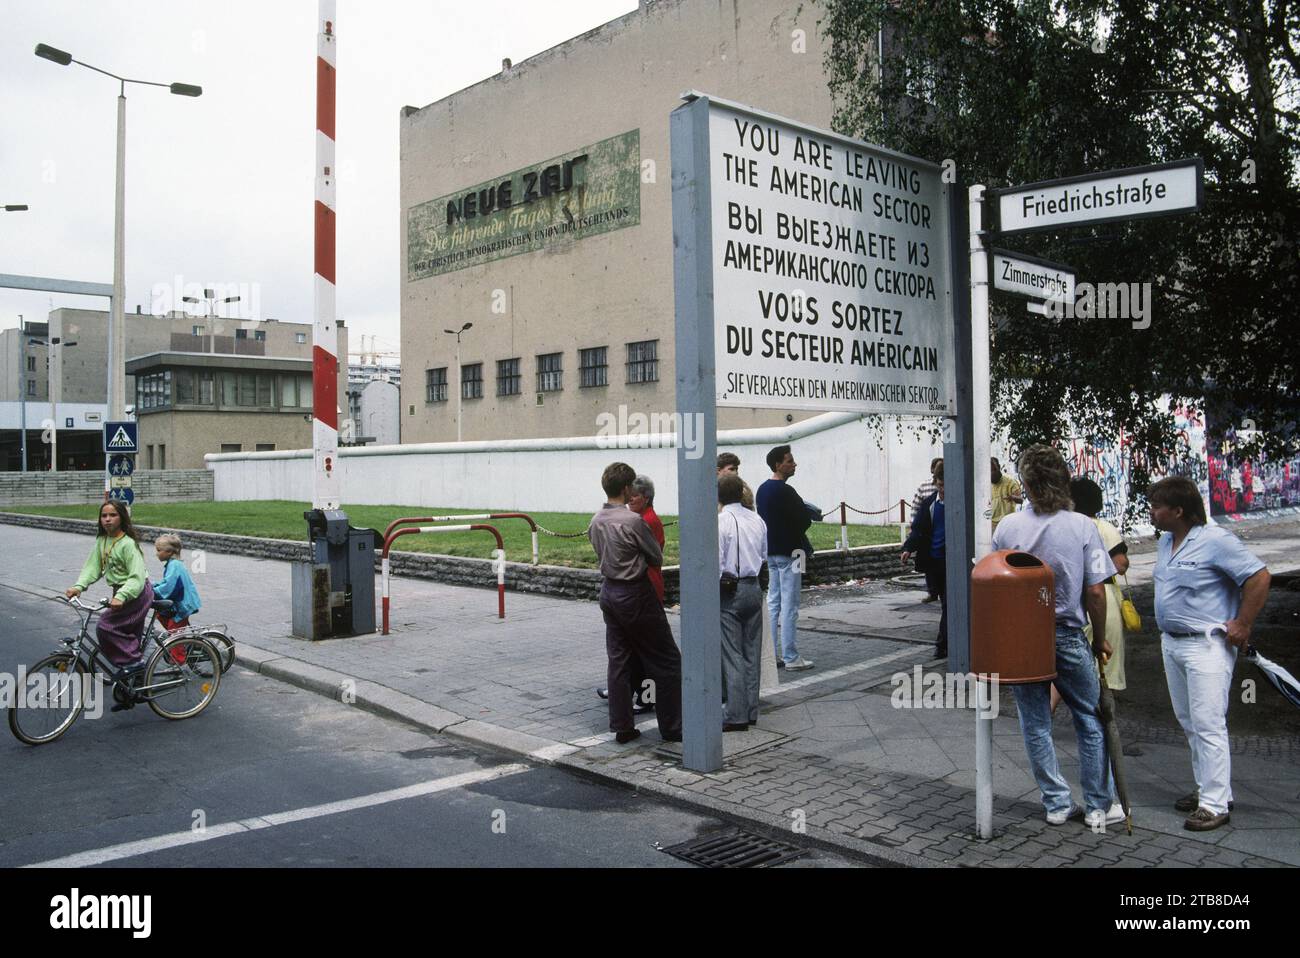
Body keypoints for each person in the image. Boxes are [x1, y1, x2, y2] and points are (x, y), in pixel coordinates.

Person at [992, 444, 1123, 830]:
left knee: (1034, 722)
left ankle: (1055, 803)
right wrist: (1099, 639)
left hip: (1022, 637)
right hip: (1066, 632)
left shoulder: (1008, 528)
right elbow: (1096, 591)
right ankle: (1098, 805)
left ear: (1026, 485)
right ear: (1063, 480)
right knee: (1089, 717)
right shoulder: (1082, 526)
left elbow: (995, 580)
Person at [1150, 476, 1271, 832]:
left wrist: (1243, 624)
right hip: (1172, 642)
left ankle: (1215, 804)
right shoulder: (1166, 542)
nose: (1152, 513)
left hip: (1206, 644)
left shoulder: (1215, 540)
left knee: (1208, 723)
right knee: (1189, 722)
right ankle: (1210, 789)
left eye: (1157, 507)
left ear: (1179, 510)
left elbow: (1259, 577)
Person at [588, 462, 683, 744]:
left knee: (619, 659)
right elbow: (655, 556)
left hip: (610, 591)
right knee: (666, 660)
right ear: (627, 489)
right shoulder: (633, 521)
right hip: (635, 591)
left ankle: (622, 725)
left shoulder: (596, 520)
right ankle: (673, 726)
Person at [65, 501, 155, 682]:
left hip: (136, 592)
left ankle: (134, 664)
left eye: (112, 515)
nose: (107, 519)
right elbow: (93, 567)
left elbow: (137, 576)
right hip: (121, 593)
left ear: (122, 518)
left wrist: (122, 595)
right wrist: (79, 586)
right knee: (129, 633)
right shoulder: (102, 540)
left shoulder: (128, 544)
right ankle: (137, 682)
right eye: (104, 515)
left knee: (105, 626)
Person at [597, 474, 660, 712]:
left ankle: (646, 696)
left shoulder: (647, 520)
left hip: (646, 586)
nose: (631, 500)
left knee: (642, 652)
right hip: (635, 587)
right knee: (633, 652)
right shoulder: (635, 519)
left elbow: (655, 556)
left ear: (646, 498)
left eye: (635, 497)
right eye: (630, 495)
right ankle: (637, 694)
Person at [756, 445, 815, 671]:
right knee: (791, 605)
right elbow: (804, 520)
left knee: (773, 602)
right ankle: (791, 657)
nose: (794, 464)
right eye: (790, 461)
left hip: (771, 552)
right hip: (793, 551)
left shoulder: (762, 490)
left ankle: (770, 655)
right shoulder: (787, 492)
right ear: (778, 464)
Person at [718, 473, 767, 731]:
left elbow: (717, 561)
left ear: (718, 496)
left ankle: (735, 714)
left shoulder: (722, 521)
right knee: (751, 651)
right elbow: (763, 555)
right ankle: (751, 709)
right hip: (753, 586)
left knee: (732, 653)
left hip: (730, 588)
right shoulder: (757, 520)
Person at [901, 460, 948, 658]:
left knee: (948, 604)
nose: (943, 489)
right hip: (934, 560)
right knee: (945, 603)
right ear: (936, 482)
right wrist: (908, 548)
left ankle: (942, 644)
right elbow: (918, 528)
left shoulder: (960, 503)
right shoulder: (930, 503)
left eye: (946, 485)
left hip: (951, 562)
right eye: (940, 484)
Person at [153, 533, 202, 632]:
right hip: (181, 603)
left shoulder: (174, 565)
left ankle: (177, 645)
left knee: (174, 631)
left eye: (159, 550)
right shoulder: (173, 564)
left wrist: (153, 592)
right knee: (161, 615)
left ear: (169, 552)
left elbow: (169, 587)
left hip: (183, 605)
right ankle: (179, 641)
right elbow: (167, 581)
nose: (156, 553)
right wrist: (153, 585)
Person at [911, 457, 943, 602]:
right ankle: (932, 591)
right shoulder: (928, 496)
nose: (942, 489)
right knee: (930, 567)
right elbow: (917, 512)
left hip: (945, 552)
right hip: (930, 541)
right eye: (940, 485)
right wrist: (910, 544)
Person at [991, 457, 1024, 531]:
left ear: (999, 467)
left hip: (1008, 525)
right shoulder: (985, 486)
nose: (992, 473)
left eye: (994, 470)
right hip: (992, 527)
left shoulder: (1010, 482)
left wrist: (1013, 498)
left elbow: (1021, 500)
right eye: (989, 471)